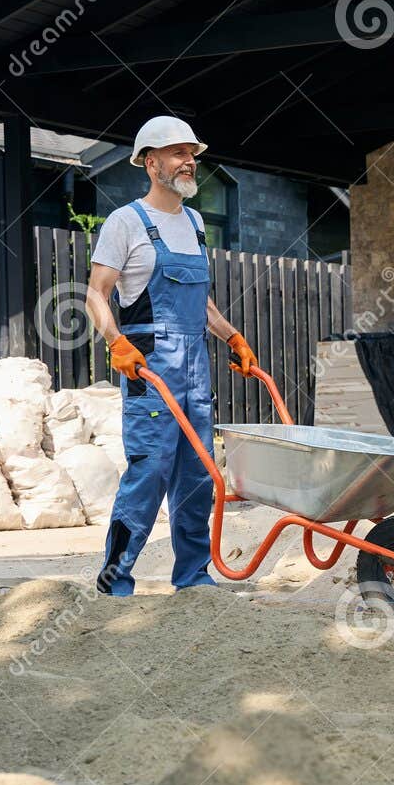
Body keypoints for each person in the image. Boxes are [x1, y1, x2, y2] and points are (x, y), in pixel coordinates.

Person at [82, 116, 259, 595]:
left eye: (192, 154)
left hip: (195, 369)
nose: (189, 162)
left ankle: (194, 576)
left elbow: (198, 301)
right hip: (149, 366)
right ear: (150, 162)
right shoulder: (126, 222)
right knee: (149, 473)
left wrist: (231, 336)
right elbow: (96, 293)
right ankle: (115, 580)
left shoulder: (196, 222)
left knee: (198, 474)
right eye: (178, 153)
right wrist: (115, 341)